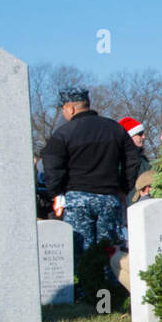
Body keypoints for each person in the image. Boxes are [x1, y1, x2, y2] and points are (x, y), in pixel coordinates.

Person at [41, 87, 139, 256]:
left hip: (77, 200)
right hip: (109, 198)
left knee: (81, 254)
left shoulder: (64, 133)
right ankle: (108, 282)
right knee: (109, 252)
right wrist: (124, 187)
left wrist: (56, 192)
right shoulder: (114, 129)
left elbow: (51, 166)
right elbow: (133, 160)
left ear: (70, 108)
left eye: (63, 109)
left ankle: (85, 282)